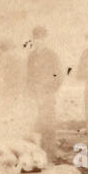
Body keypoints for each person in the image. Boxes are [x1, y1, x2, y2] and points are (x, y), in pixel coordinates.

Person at [26, 27, 62, 158]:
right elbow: (29, 77)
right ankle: (37, 154)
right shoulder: (31, 56)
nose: (38, 41)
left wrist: (48, 91)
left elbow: (58, 76)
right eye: (36, 38)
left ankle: (51, 155)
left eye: (41, 38)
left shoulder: (52, 55)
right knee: (35, 125)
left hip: (47, 94)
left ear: (45, 39)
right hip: (35, 95)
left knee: (49, 125)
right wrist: (31, 93)